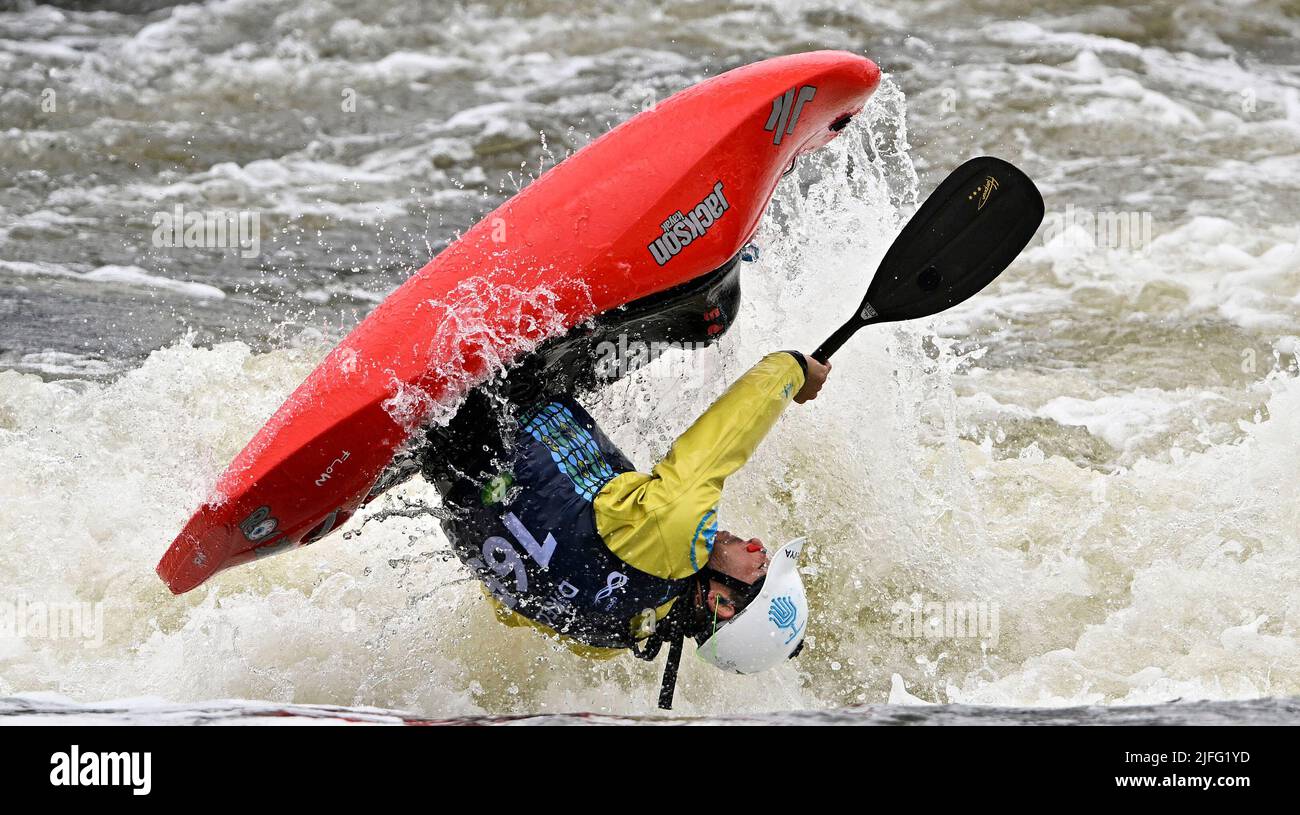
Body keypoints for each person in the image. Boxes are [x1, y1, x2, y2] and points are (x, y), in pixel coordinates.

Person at [419, 259, 831, 707]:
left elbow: (721, 442)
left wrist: (791, 370)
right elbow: (512, 604)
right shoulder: (608, 640)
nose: (757, 545)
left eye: (762, 568)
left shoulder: (674, 540)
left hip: (499, 392)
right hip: (439, 469)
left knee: (693, 318)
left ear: (721, 604)